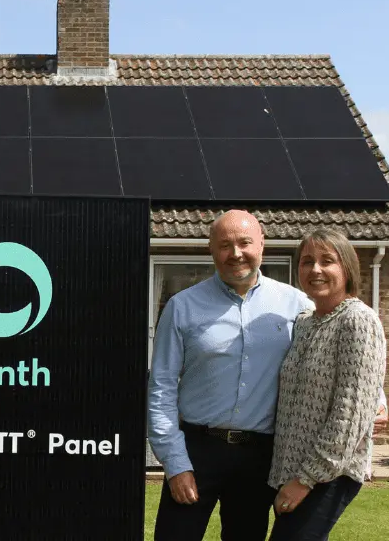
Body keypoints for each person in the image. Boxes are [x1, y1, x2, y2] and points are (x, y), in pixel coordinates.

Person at [147, 210, 313, 541]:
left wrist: (375, 400)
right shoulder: (182, 307)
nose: (235, 253)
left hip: (260, 456)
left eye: (244, 242)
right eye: (224, 245)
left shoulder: (296, 305)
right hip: (196, 450)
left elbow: (333, 349)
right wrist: (175, 463)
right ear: (211, 249)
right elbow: (161, 388)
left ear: (262, 244)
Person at [266, 227, 387, 540]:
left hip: (328, 473)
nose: (315, 269)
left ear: (346, 268)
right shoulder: (305, 322)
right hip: (293, 469)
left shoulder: (358, 320)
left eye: (327, 261)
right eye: (307, 261)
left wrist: (305, 479)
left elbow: (350, 416)